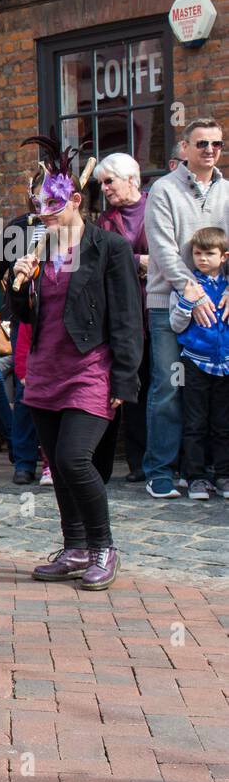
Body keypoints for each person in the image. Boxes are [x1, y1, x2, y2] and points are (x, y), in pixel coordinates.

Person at [11, 134, 144, 591]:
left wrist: (126, 379)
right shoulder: (39, 251)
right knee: (58, 461)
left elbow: (128, 318)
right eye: (38, 205)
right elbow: (29, 315)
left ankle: (104, 547)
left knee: (74, 458)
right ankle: (75, 548)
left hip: (92, 368)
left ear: (75, 200)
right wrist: (18, 285)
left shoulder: (110, 249)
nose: (45, 212)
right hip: (44, 367)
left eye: (53, 204)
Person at [143, 118, 229, 500]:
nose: (210, 150)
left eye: (216, 144)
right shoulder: (163, 189)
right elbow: (161, 250)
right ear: (185, 147)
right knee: (169, 388)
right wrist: (191, 291)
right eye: (202, 143)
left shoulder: (227, 191)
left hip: (219, 306)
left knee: (212, 392)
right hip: (169, 303)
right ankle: (160, 470)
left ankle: (203, 469)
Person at [0, 189, 42, 483]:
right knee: (26, 389)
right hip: (24, 320)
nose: (45, 203)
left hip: (64, 324)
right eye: (40, 196)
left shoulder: (71, 230)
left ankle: (54, 459)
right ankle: (24, 459)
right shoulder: (19, 228)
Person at [94, 153, 152, 482]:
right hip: (124, 314)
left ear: (131, 179)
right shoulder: (105, 220)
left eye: (109, 181)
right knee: (130, 386)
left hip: (155, 307)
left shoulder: (154, 207)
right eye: (101, 183)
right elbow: (104, 263)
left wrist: (137, 261)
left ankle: (159, 461)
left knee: (158, 388)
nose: (104, 188)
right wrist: (137, 262)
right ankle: (136, 462)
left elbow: (164, 255)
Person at [169, 227, 229, 500]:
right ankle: (195, 477)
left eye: (209, 254)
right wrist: (186, 302)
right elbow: (176, 324)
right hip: (195, 362)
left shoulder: (227, 286)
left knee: (223, 423)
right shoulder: (189, 285)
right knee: (194, 422)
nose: (202, 259)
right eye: (197, 254)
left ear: (224, 256)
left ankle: (223, 474)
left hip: (225, 364)